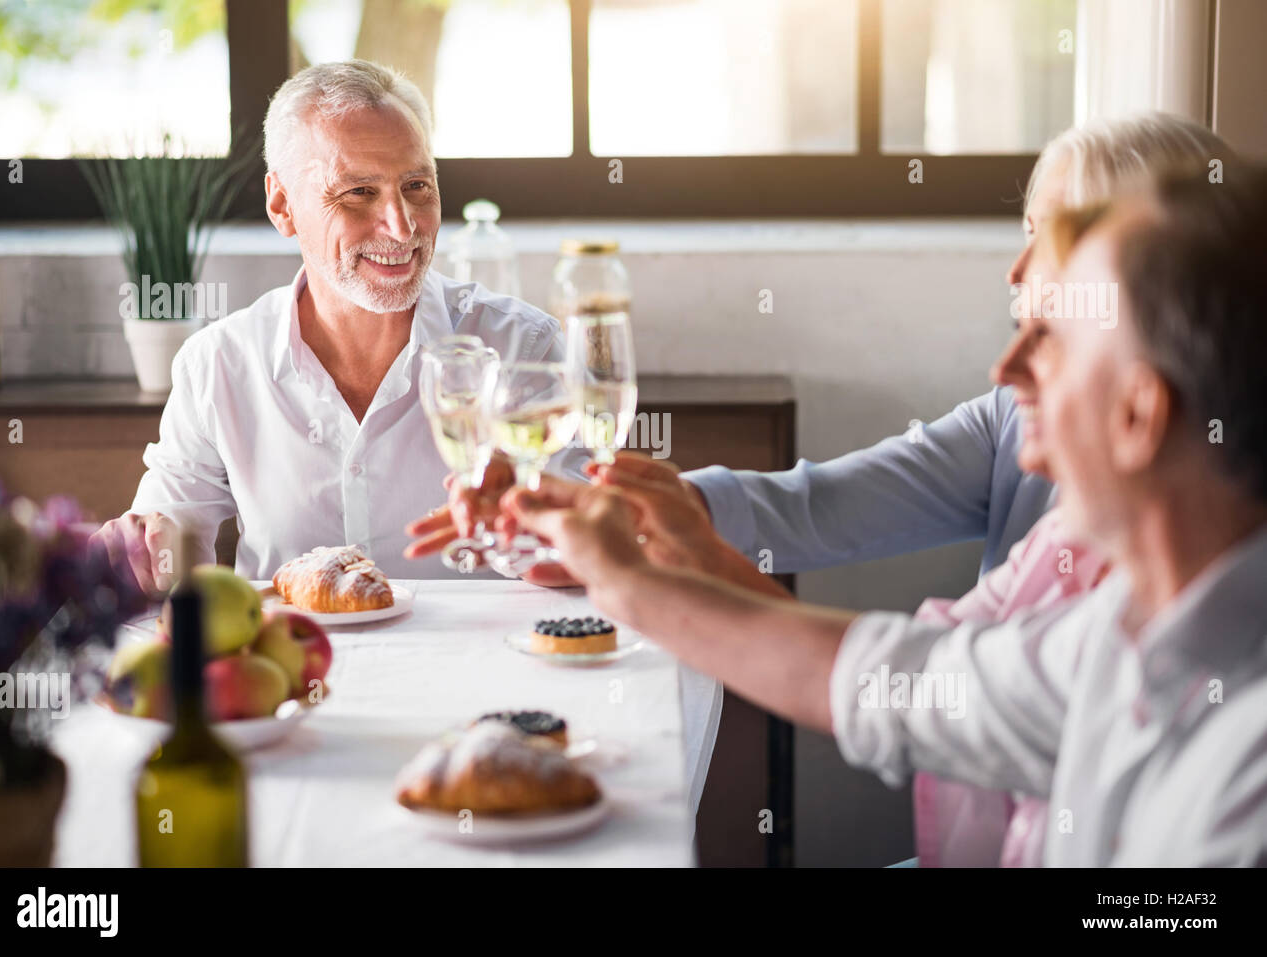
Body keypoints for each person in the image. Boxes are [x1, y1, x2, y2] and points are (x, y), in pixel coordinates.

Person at [503, 164, 1267, 865]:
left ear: (1138, 417)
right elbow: (888, 681)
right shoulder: (1123, 630)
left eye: (1054, 339)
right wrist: (641, 564)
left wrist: (635, 573)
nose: (1007, 371)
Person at [406, 113, 1229, 589]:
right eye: (1020, 236)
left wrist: (638, 565)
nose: (1014, 275)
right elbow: (813, 507)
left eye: (1046, 244)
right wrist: (593, 509)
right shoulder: (1013, 422)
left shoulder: (1204, 505)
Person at [90, 59, 585, 593]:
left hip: (474, 672)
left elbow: (588, 560)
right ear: (282, 205)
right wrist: (138, 556)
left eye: (417, 185)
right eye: (359, 193)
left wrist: (522, 528)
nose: (402, 227)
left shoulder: (522, 347)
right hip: (286, 669)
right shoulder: (218, 364)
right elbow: (164, 547)